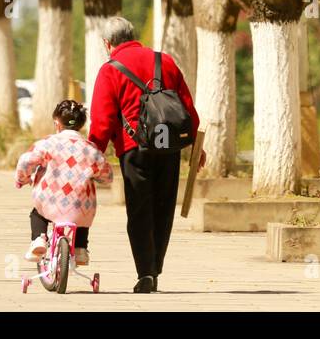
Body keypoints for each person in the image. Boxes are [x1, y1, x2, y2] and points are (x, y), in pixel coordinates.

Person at [86, 16, 202, 293]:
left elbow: (102, 121)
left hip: (133, 148)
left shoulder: (110, 70)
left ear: (107, 43)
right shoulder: (166, 61)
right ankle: (155, 267)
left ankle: (146, 272)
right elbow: (186, 107)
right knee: (163, 208)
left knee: (140, 211)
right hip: (169, 147)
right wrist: (197, 146)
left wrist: (92, 155)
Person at [15, 99, 113, 267]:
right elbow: (107, 175)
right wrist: (96, 176)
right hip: (81, 208)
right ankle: (81, 248)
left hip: (50, 201)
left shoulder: (47, 143)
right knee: (82, 214)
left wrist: (22, 179)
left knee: (37, 213)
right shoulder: (91, 148)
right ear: (81, 125)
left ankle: (39, 239)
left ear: (57, 124)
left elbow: (25, 162)